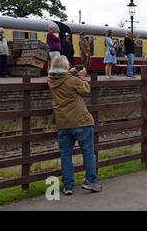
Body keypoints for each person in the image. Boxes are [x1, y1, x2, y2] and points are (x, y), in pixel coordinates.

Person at [47, 55, 102, 195]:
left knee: (65, 154)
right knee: (88, 152)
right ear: (65, 67)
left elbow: (62, 78)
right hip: (81, 121)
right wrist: (82, 77)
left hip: (62, 123)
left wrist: (70, 72)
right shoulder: (73, 80)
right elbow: (85, 90)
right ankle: (91, 181)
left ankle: (68, 186)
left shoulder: (51, 80)